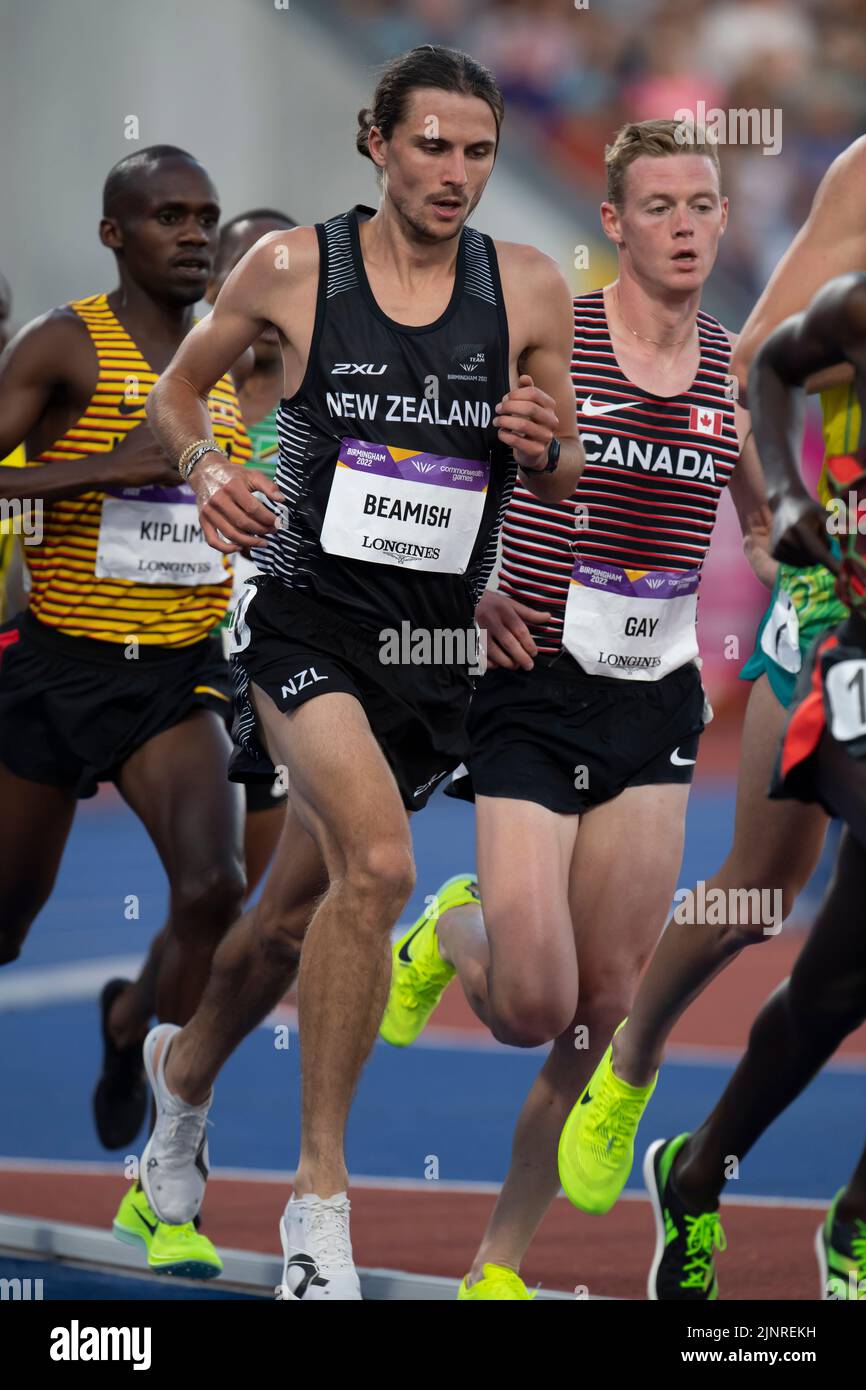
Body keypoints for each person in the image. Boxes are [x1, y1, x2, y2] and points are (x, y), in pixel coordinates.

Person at [135, 44, 584, 1302]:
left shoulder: (532, 286)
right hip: (302, 619)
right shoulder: (291, 268)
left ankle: (180, 1083)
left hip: (432, 644)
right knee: (380, 867)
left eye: (478, 150)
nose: (454, 173)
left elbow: (562, 475)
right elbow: (181, 397)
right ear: (374, 142)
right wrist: (208, 472)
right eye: (430, 145)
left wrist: (547, 445)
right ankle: (317, 1206)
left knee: (286, 921)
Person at [379, 118, 768, 1299]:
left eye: (701, 205)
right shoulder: (554, 339)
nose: (686, 226)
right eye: (658, 207)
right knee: (529, 1001)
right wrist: (473, 585)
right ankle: (449, 926)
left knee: (599, 1010)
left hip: (651, 696)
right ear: (611, 224)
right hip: (532, 687)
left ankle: (497, 1265)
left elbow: (757, 505)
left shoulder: (725, 364)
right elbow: (441, 467)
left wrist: (786, 537)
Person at [555, 136, 866, 1218]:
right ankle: (631, 1056)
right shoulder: (863, 178)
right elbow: (760, 360)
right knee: (760, 888)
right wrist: (790, 501)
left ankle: (823, 1215)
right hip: (845, 591)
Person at [0, 145, 258, 1279]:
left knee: (214, 887)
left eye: (204, 216)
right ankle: (118, 1022)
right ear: (117, 234)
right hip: (56, 666)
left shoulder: (238, 356)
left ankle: (166, 1161)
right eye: (168, 216)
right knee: (4, 926)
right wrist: (97, 468)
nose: (194, 235)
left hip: (176, 673)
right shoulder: (66, 342)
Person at [645, 270, 866, 1301]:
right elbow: (771, 371)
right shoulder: (855, 307)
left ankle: (701, 1176)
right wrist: (782, 493)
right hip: (855, 649)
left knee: (833, 985)